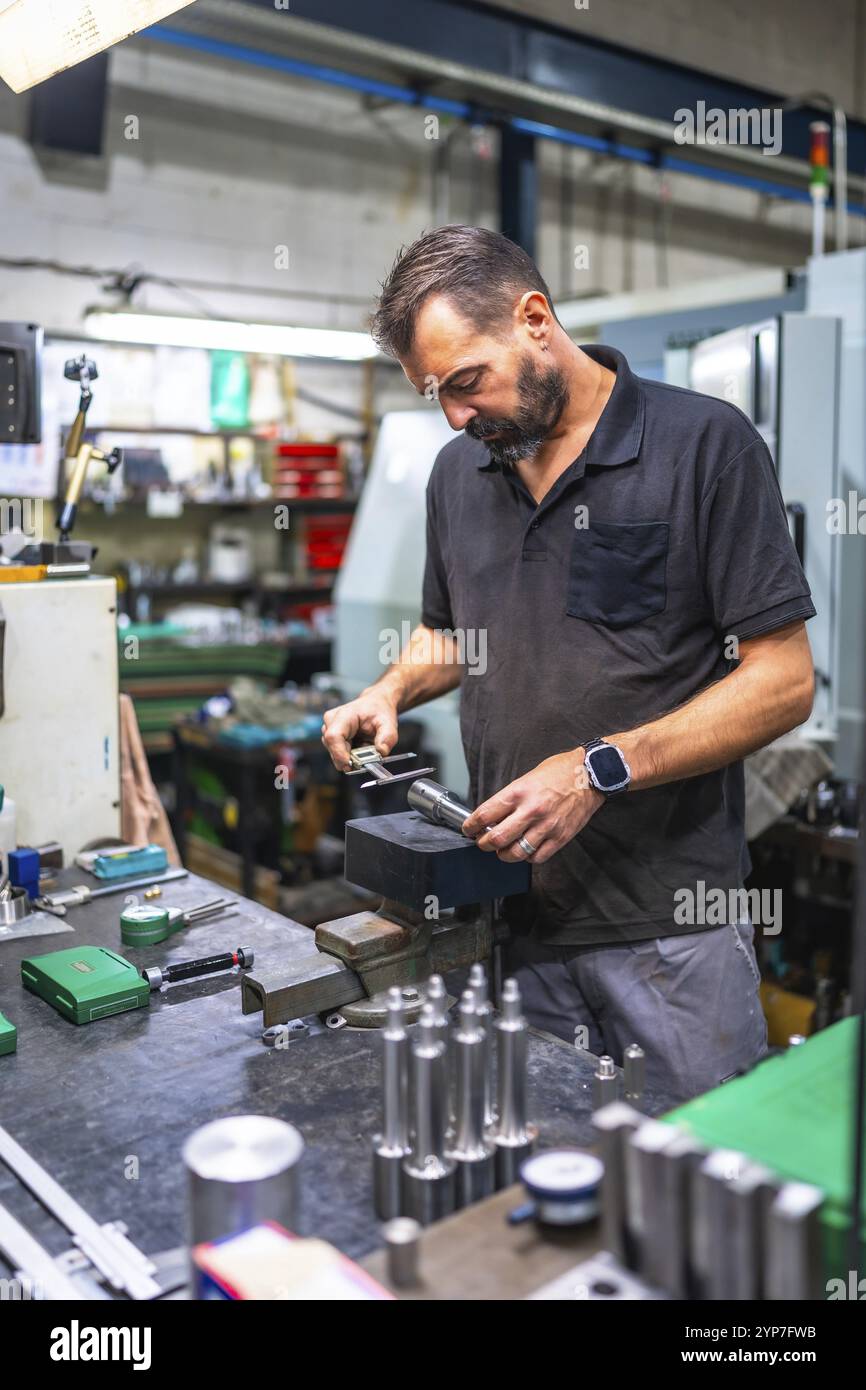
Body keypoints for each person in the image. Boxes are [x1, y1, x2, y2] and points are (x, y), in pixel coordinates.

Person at [322, 225, 816, 1103]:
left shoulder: (702, 446)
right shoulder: (458, 473)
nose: (456, 417)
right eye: (436, 394)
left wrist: (598, 769)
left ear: (536, 319)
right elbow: (453, 633)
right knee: (545, 1198)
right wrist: (390, 688)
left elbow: (783, 679)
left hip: (671, 933)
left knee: (696, 1200)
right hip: (513, 920)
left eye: (467, 382)